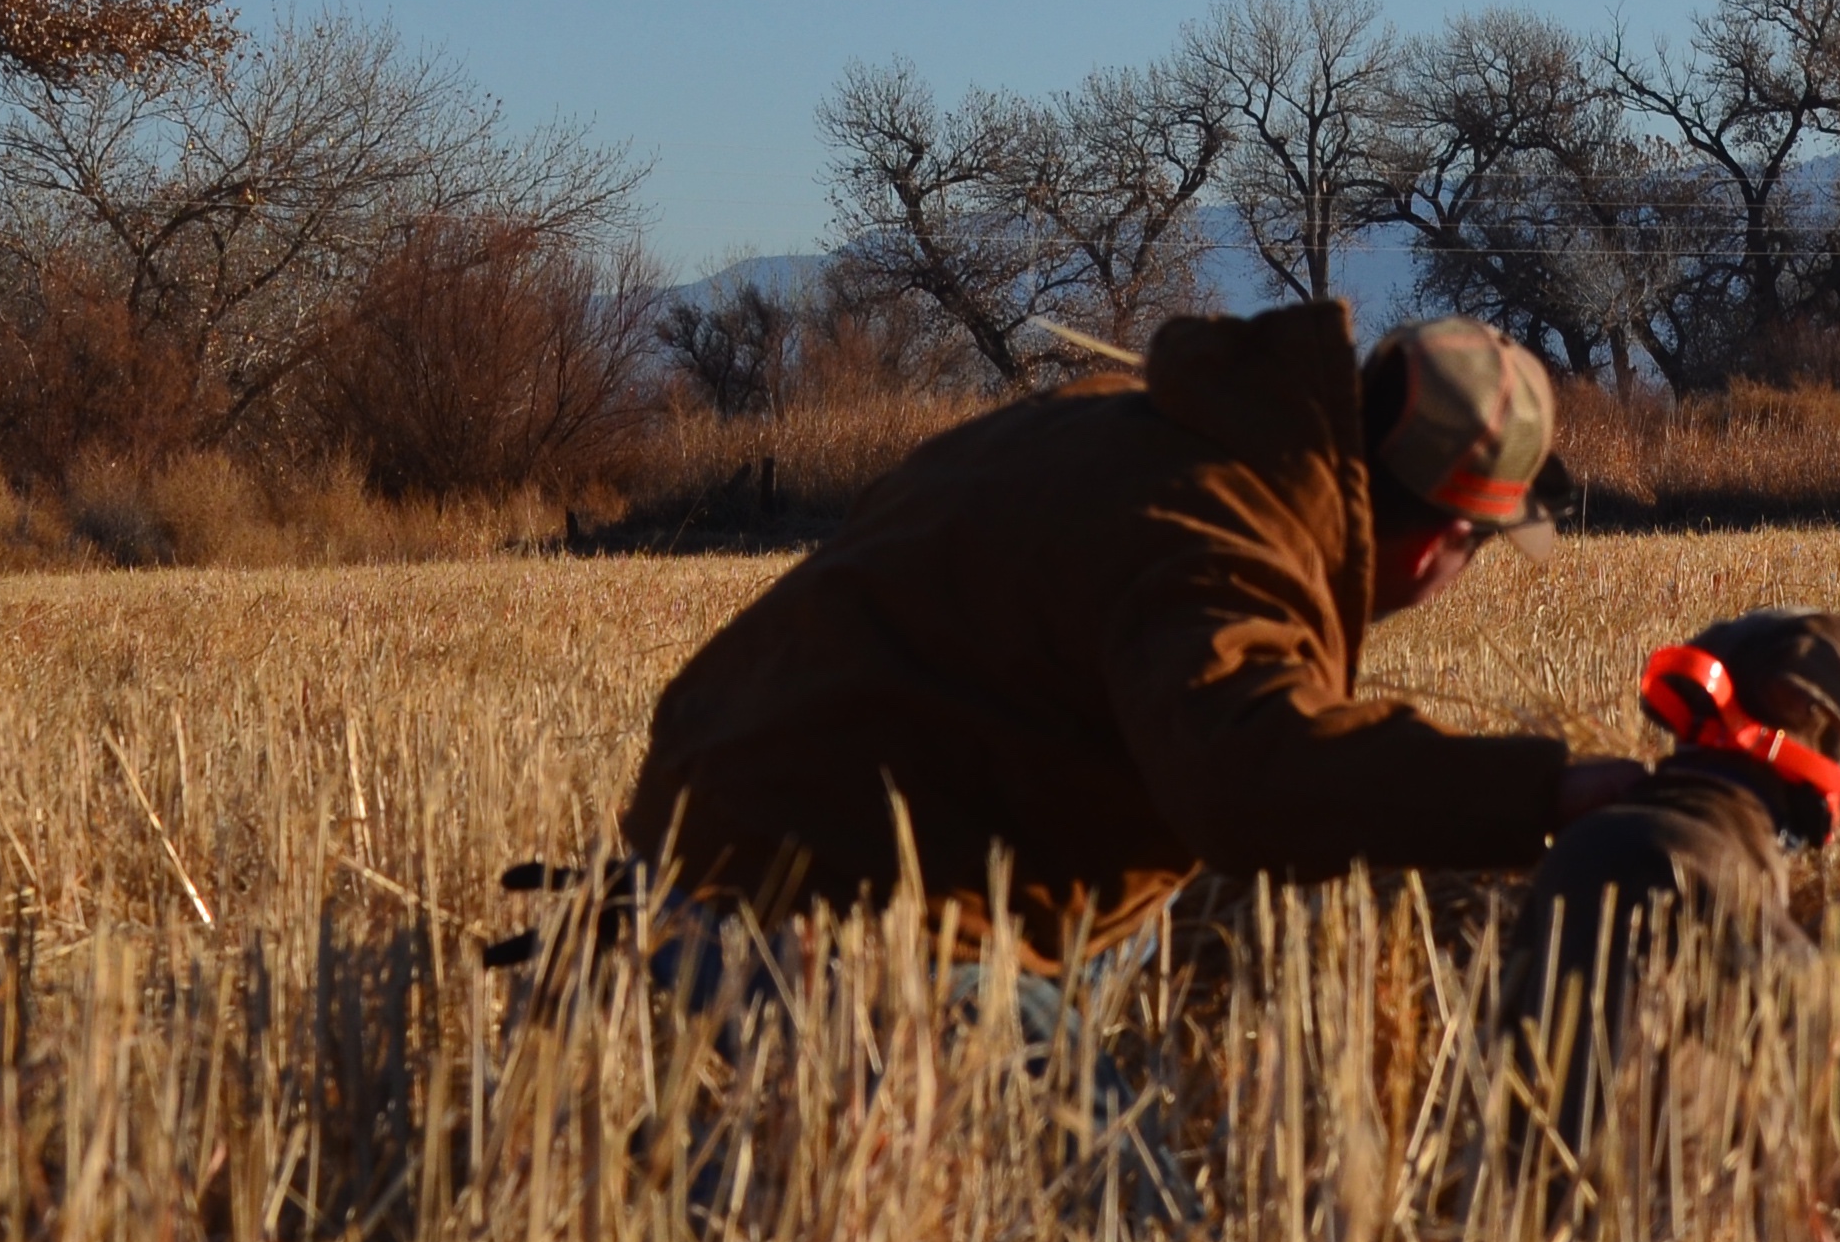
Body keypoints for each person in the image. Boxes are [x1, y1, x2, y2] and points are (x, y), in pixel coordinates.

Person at [619, 302, 1639, 963]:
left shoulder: (1133, 427)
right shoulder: (1223, 543)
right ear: (1444, 539)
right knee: (1112, 1192)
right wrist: (1541, 793)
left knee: (1130, 936)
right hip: (826, 919)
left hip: (705, 837)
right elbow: (1253, 776)